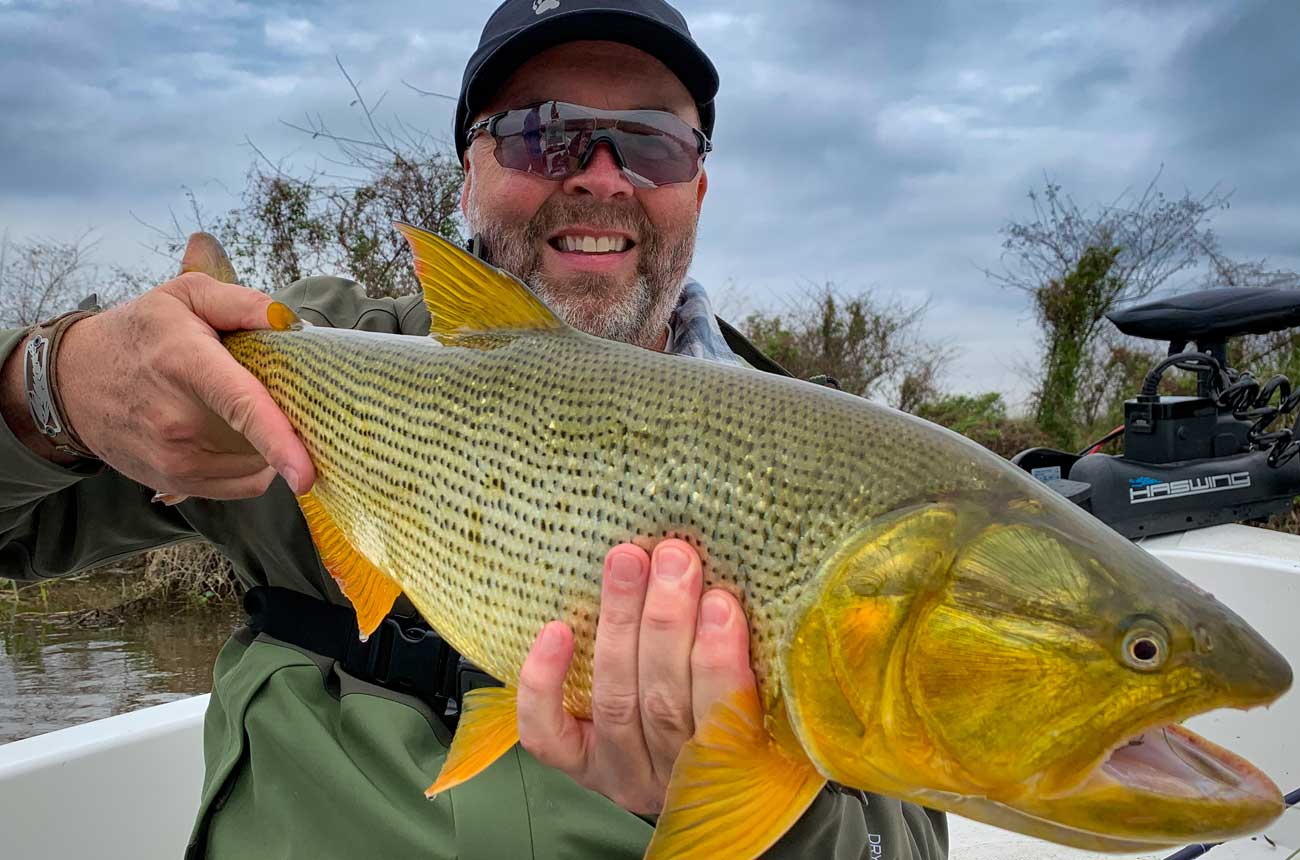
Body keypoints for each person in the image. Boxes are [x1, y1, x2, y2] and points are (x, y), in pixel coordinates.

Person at [0, 1, 948, 857]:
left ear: (696, 188)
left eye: (654, 142)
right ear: (468, 177)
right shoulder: (295, 363)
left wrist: (737, 805)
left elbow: (906, 843)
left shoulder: (845, 468)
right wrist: (51, 388)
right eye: (543, 135)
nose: (602, 177)